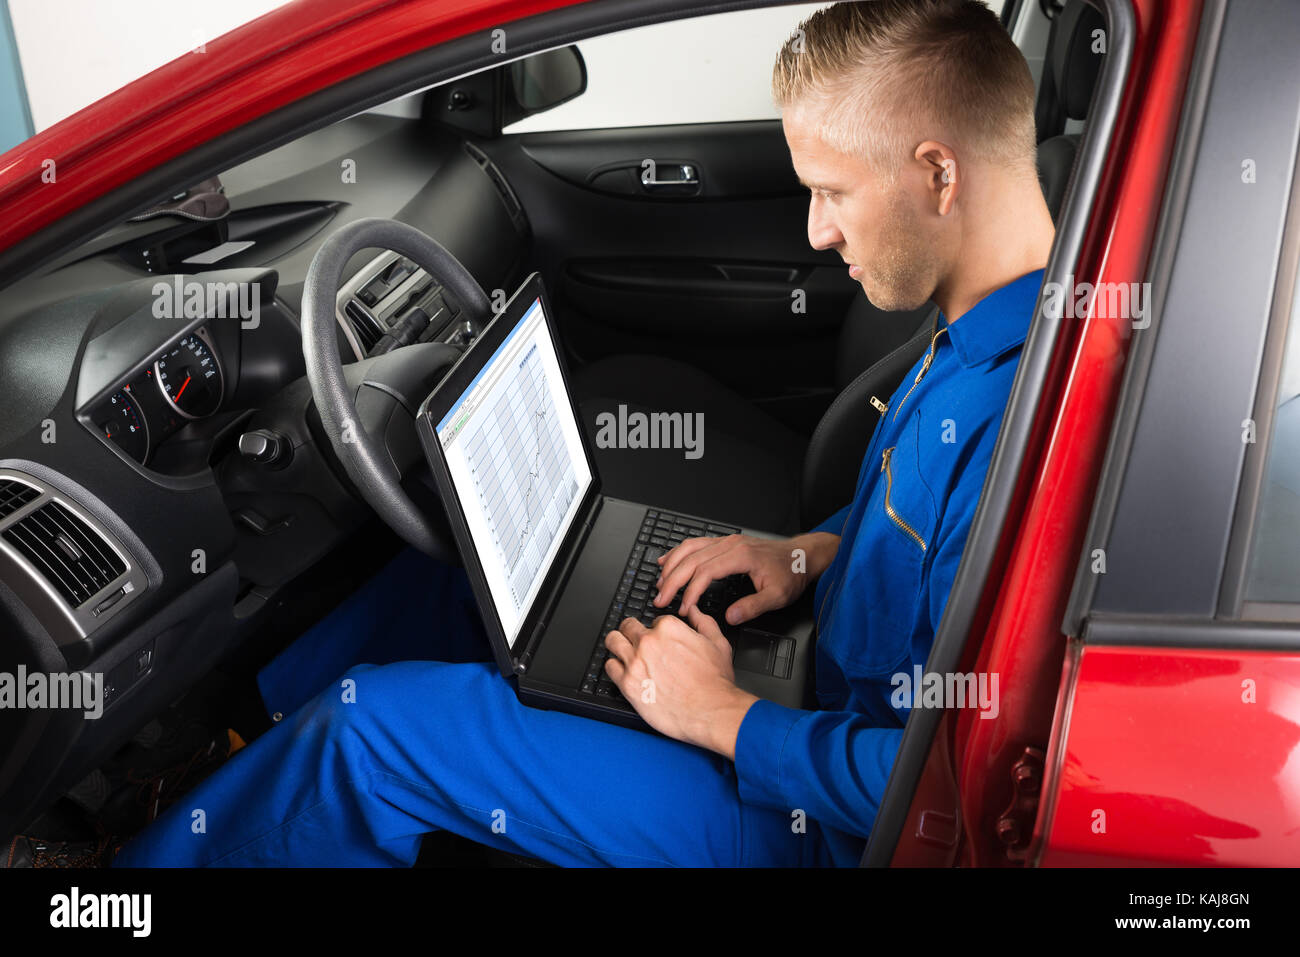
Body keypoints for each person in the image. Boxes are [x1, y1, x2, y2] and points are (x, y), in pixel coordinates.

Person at [112, 0, 1054, 867]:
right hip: (812, 688)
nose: (814, 232)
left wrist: (722, 717)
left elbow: (953, 785)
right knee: (448, 581)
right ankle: (232, 752)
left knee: (375, 734)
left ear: (937, 171)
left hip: (822, 821)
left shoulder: (1031, 427)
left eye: (833, 192)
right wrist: (805, 555)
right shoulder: (986, 331)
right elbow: (910, 527)